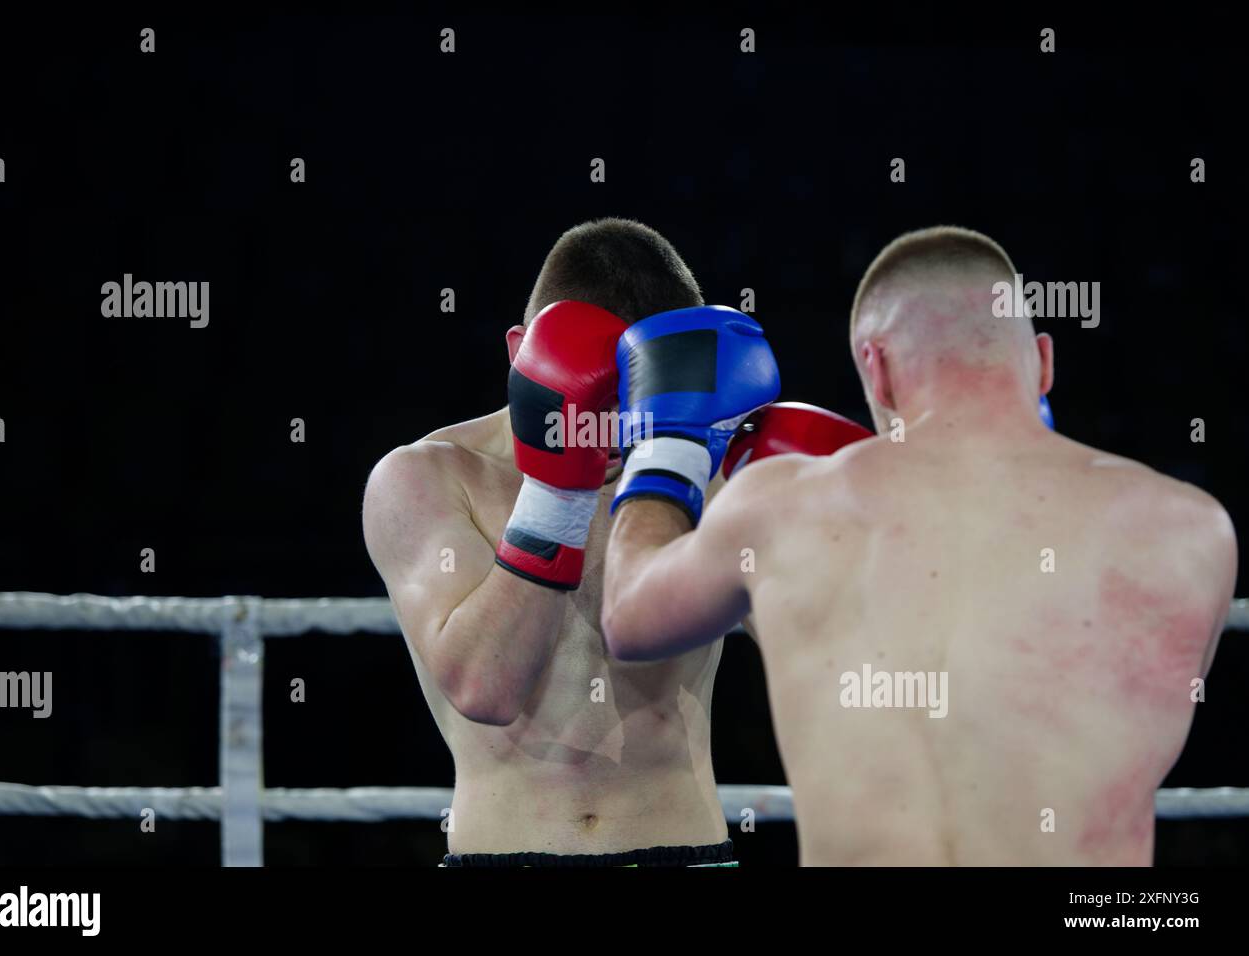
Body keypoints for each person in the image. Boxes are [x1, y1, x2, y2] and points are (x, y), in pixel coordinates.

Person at [601, 226, 1238, 865]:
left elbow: (628, 618)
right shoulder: (1188, 529)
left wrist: (667, 446)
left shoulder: (783, 504)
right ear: (1043, 361)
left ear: (876, 372)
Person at [363, 218, 740, 866]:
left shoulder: (715, 469)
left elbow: (836, 638)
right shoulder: (427, 478)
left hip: (687, 850)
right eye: (608, 388)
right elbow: (486, 688)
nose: (625, 419)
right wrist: (562, 483)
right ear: (522, 355)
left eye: (649, 388)